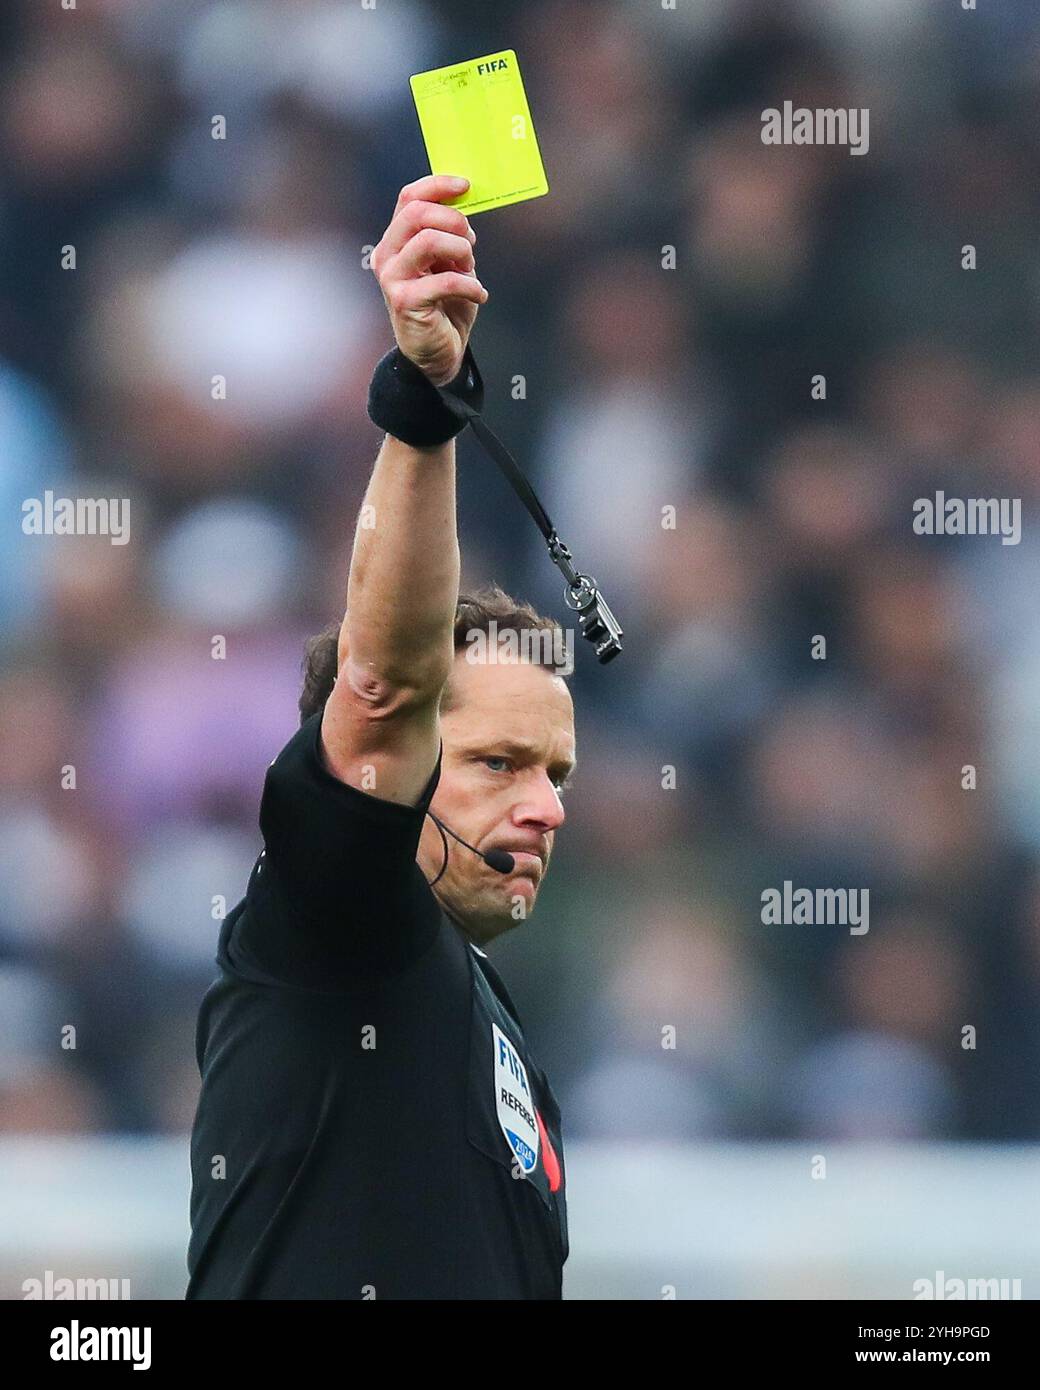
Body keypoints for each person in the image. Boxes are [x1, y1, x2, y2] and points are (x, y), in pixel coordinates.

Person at [187, 175, 575, 1299]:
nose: (546, 806)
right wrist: (423, 399)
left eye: (554, 773)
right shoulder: (336, 923)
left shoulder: (486, 1023)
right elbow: (386, 684)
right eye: (498, 764)